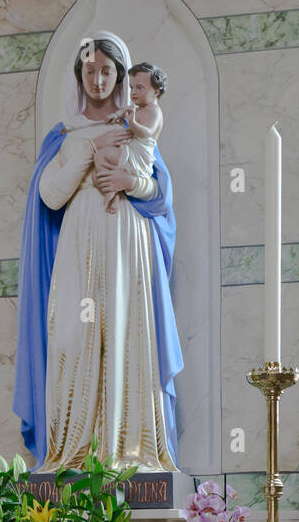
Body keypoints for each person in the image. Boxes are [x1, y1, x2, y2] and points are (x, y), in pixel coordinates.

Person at [13, 32, 182, 472]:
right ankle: (73, 452)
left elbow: (159, 194)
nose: (98, 79)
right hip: (77, 244)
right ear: (79, 75)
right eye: (90, 70)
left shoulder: (138, 126)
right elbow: (49, 196)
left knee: (128, 336)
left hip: (128, 243)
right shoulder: (66, 133)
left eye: (107, 71)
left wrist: (129, 184)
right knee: (72, 336)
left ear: (121, 76)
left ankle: (130, 453)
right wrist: (89, 152)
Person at [94, 62, 167, 214]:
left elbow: (147, 133)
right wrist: (115, 116)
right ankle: (112, 189)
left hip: (138, 156)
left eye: (140, 88)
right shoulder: (138, 108)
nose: (133, 92)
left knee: (102, 155)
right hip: (130, 151)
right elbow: (123, 111)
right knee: (99, 168)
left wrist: (132, 123)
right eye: (132, 87)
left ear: (156, 91)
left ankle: (111, 193)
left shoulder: (154, 112)